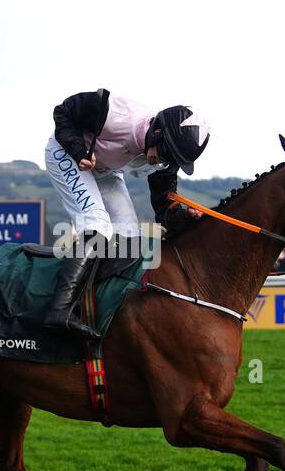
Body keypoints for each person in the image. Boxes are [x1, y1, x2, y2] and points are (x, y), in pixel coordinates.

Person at [44, 89, 210, 338]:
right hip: (67, 155)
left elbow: (163, 209)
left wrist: (184, 217)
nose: (163, 162)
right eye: (165, 154)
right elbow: (63, 111)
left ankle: (96, 300)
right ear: (156, 131)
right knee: (98, 223)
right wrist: (79, 151)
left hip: (105, 170)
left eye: (172, 159)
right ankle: (60, 310)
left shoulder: (165, 157)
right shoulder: (116, 113)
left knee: (130, 235)